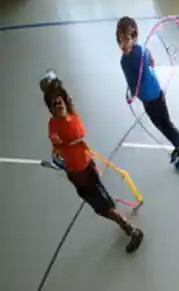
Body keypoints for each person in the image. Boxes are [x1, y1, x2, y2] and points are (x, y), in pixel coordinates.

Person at [42, 74, 144, 253]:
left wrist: (58, 155)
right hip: (86, 165)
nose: (58, 105)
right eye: (55, 103)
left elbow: (59, 144)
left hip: (79, 172)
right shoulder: (71, 117)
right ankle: (118, 215)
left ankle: (131, 230)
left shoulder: (60, 125)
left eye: (59, 102)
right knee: (102, 198)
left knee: (101, 208)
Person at [116, 17, 179, 171]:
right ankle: (178, 147)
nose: (123, 44)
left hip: (153, 97)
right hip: (151, 96)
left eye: (126, 39)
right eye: (120, 41)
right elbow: (145, 67)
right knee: (162, 124)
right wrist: (134, 91)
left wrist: (133, 93)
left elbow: (138, 80)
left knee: (164, 124)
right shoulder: (135, 54)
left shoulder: (133, 57)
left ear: (134, 37)